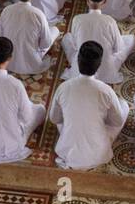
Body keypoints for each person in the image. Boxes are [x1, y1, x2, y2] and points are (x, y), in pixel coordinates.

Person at [50, 40, 129, 170]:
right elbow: (117, 122)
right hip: (98, 154)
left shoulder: (63, 87)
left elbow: (54, 119)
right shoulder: (106, 90)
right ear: (99, 65)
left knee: (64, 117)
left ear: (78, 60)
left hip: (67, 151)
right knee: (124, 105)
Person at [63, 0, 133, 84]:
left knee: (66, 38)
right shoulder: (110, 21)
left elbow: (75, 46)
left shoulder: (77, 19)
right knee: (131, 39)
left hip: (80, 70)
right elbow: (118, 48)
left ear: (87, 0)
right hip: (107, 71)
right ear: (104, 1)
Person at [0, 0, 60, 75]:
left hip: (8, 62)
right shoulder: (38, 14)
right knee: (55, 30)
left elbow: (0, 38)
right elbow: (45, 44)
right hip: (32, 63)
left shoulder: (6, 10)